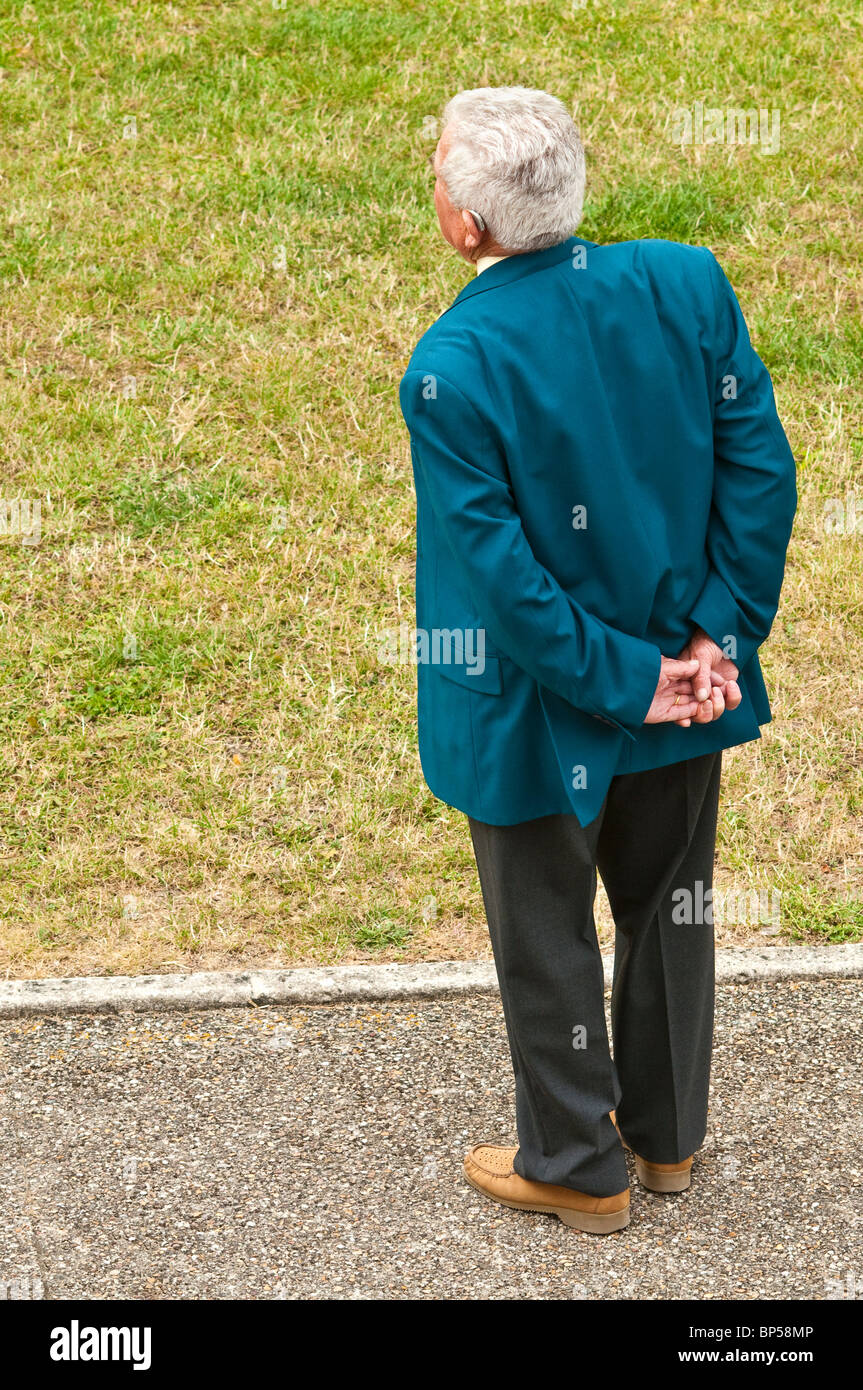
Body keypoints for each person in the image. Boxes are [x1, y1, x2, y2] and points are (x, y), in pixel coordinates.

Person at [398, 87, 796, 1233]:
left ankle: (577, 1164)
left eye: (437, 169)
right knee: (672, 906)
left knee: (546, 930)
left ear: (466, 225)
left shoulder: (451, 367)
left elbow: (505, 584)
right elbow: (757, 470)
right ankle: (665, 1142)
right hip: (692, 678)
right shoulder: (686, 282)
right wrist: (713, 637)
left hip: (536, 709)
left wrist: (627, 679)